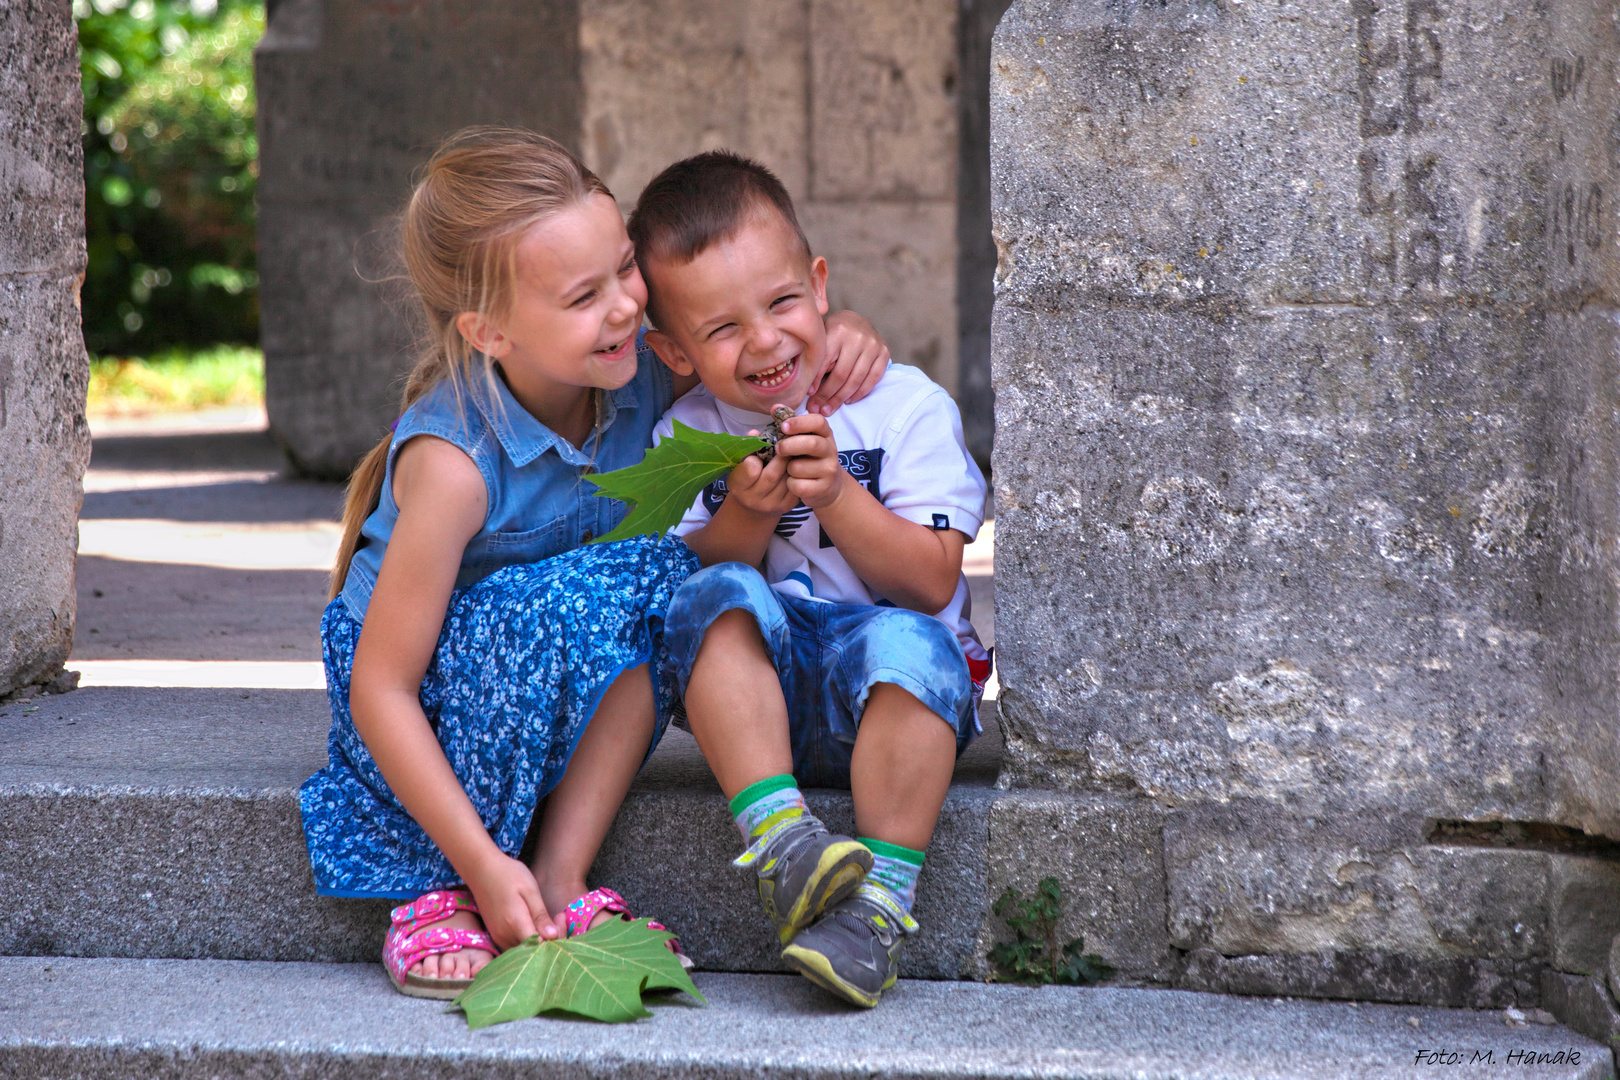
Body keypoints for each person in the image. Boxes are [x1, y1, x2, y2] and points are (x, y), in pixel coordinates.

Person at [300, 129, 891, 999]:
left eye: (624, 269)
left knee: (664, 585)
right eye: (585, 296)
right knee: (640, 574)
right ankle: (442, 879)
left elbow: (750, 350)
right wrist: (481, 863)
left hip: (554, 675)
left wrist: (843, 332)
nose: (624, 310)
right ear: (489, 331)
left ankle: (561, 873)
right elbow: (381, 690)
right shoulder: (455, 463)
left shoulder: (639, 374)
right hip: (425, 706)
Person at [630, 151, 991, 1008]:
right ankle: (785, 845)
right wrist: (747, 517)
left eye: (782, 302)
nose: (764, 341)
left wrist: (836, 496)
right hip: (767, 703)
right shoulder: (685, 435)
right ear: (673, 350)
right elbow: (683, 595)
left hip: (897, 695)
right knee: (711, 598)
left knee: (914, 644)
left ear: (820, 285)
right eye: (721, 329)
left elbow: (932, 581)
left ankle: (876, 911)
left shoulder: (905, 406)